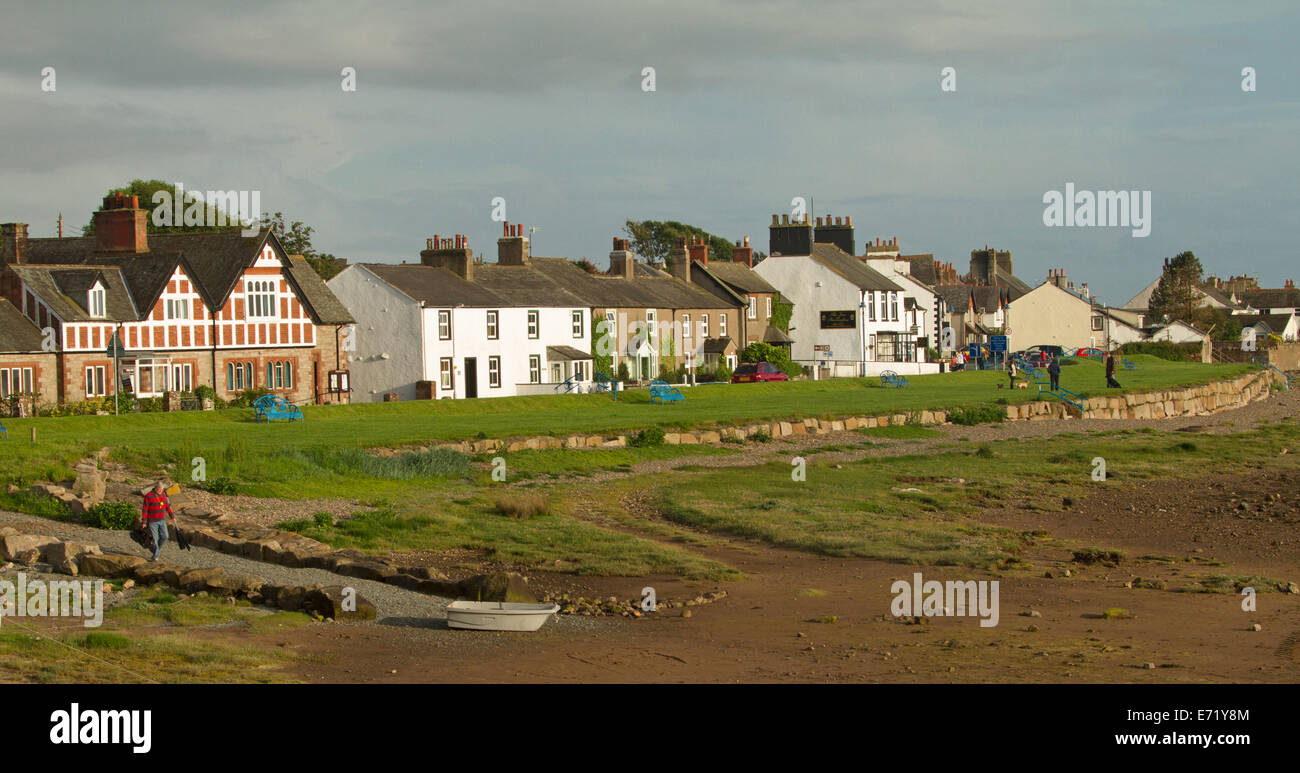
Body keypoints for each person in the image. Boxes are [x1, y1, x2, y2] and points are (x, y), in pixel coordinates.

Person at [138, 481, 177, 562]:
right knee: (155, 539)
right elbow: (145, 510)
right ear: (155, 488)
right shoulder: (149, 496)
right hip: (152, 521)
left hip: (161, 520)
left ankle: (155, 550)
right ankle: (155, 556)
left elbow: (167, 506)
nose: (160, 491)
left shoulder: (164, 495)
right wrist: (144, 522)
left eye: (161, 489)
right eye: (159, 489)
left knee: (165, 536)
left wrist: (172, 516)